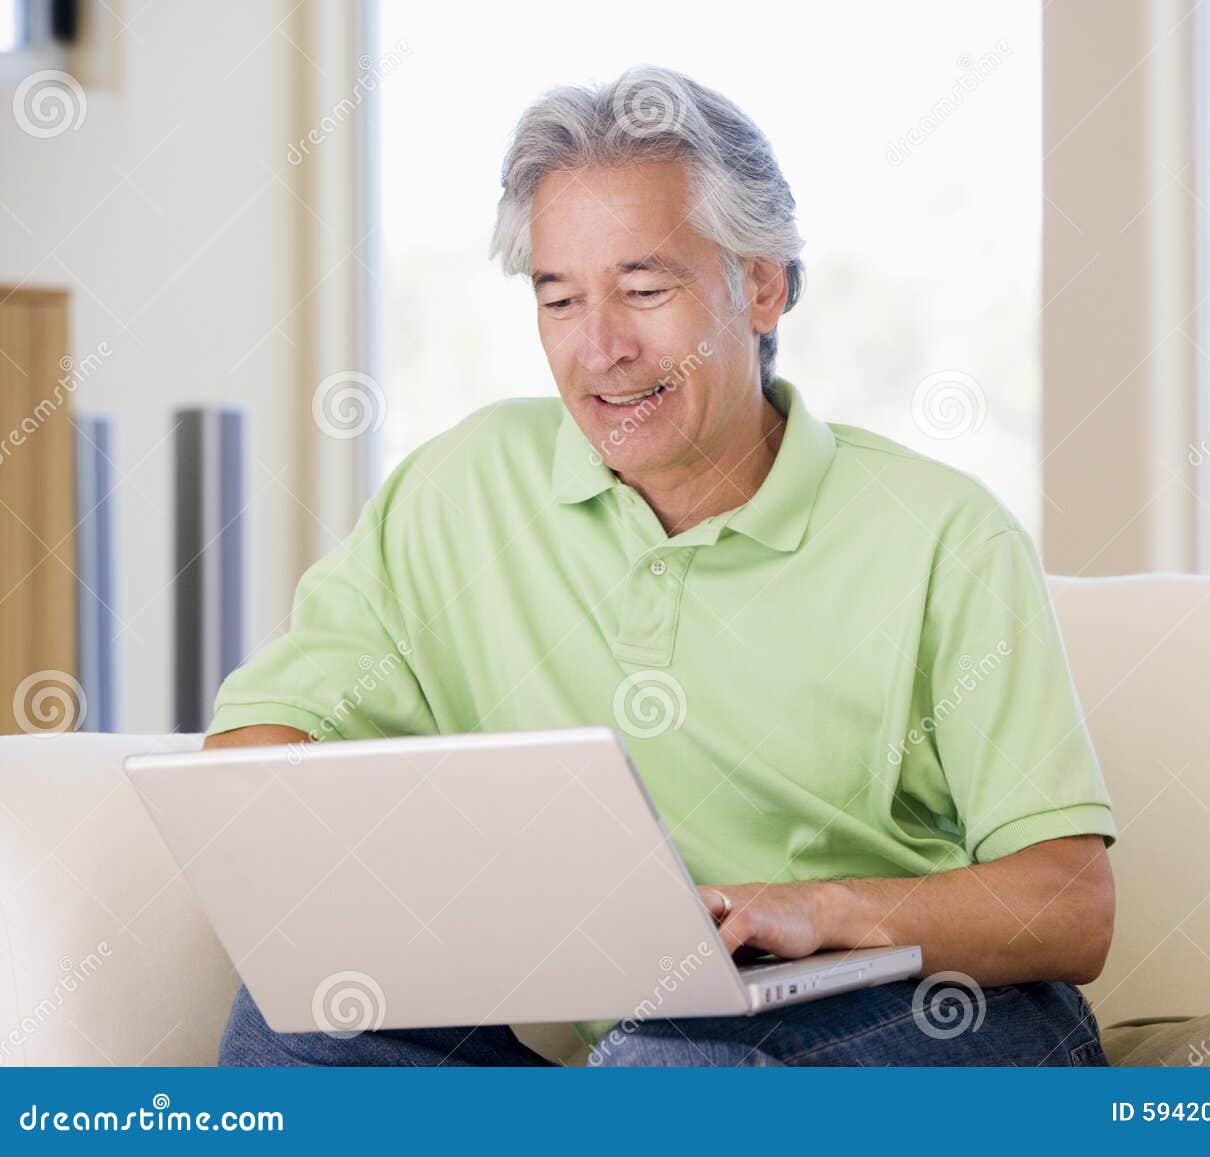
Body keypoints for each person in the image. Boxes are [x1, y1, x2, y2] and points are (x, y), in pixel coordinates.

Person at [209, 65, 1117, 1067]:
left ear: (761, 286)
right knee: (297, 1021)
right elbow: (261, 754)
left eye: (644, 290)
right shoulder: (458, 490)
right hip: (640, 1036)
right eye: (560, 299)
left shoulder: (944, 532)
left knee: (668, 1064)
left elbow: (1072, 904)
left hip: (925, 1011)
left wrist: (821, 908)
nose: (601, 347)